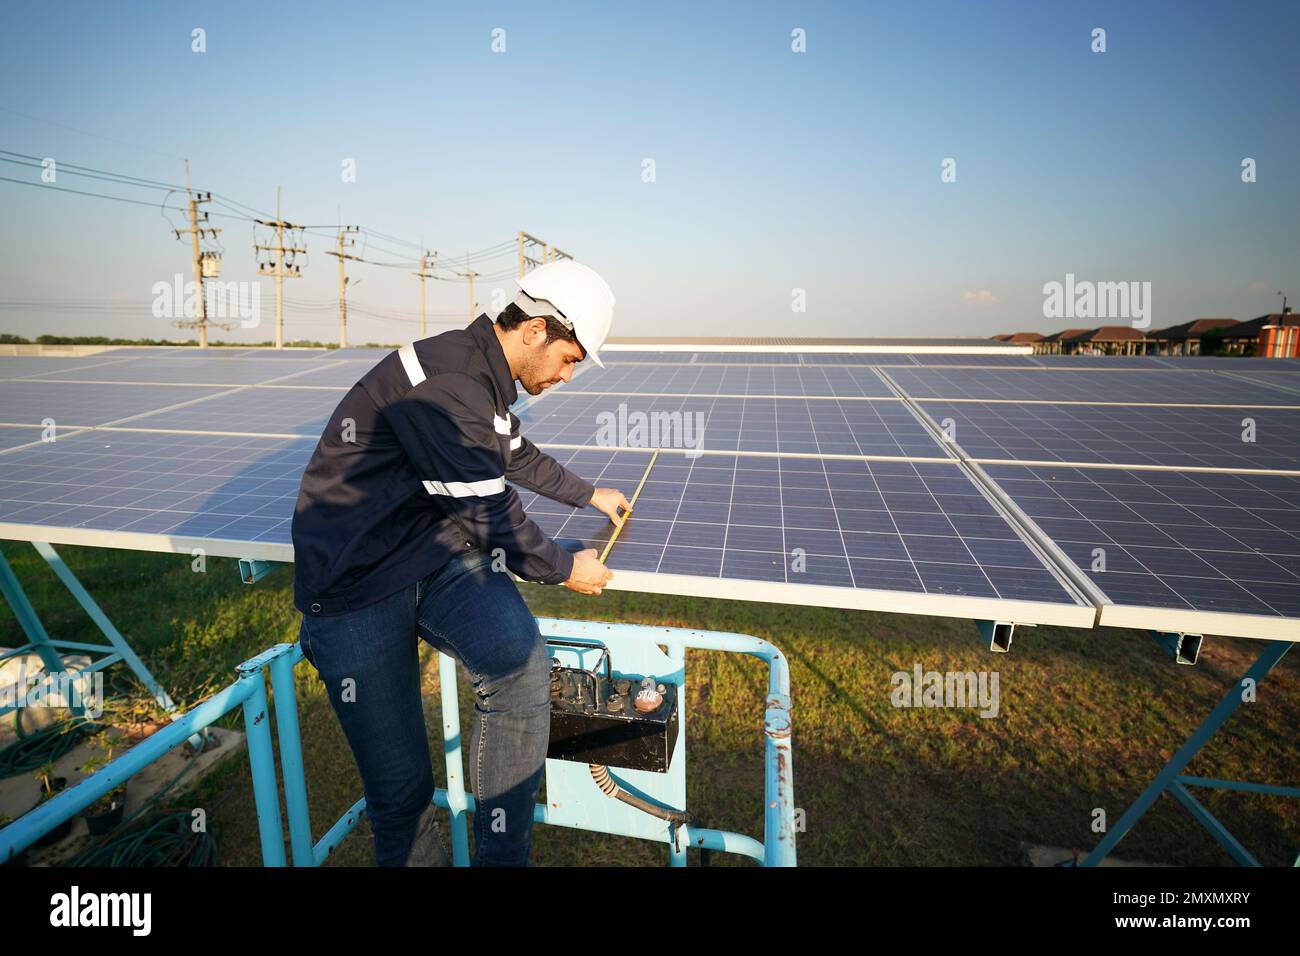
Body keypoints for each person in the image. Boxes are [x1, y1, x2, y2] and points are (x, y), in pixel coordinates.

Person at [290, 260, 629, 866]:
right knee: (401, 794)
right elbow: (492, 517)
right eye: (571, 357)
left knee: (520, 666)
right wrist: (565, 567)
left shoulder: (481, 371)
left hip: (432, 553)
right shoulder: (446, 383)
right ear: (535, 331)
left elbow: (513, 451)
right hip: (356, 582)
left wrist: (586, 493)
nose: (569, 375)